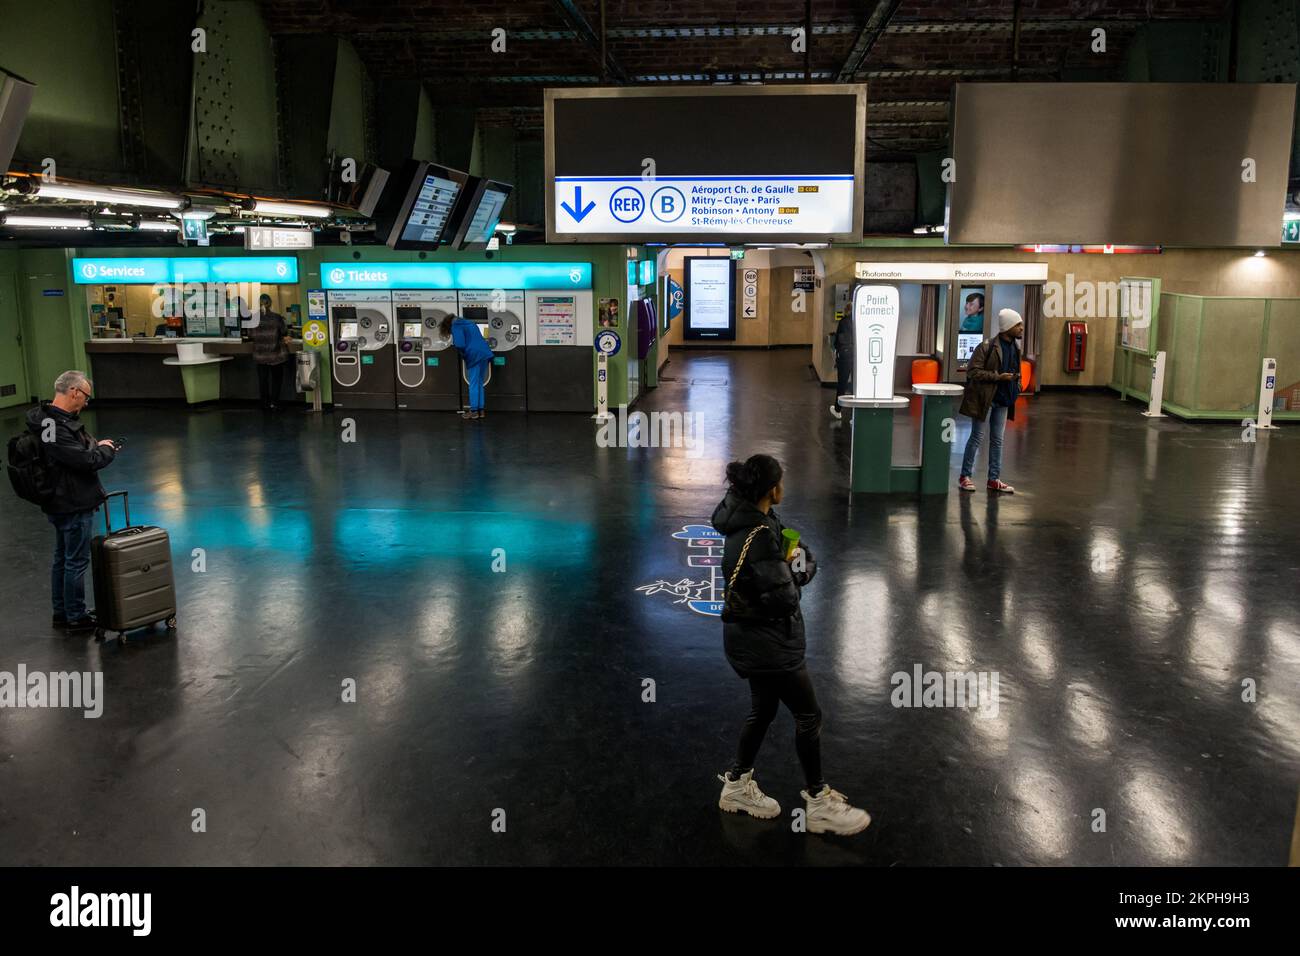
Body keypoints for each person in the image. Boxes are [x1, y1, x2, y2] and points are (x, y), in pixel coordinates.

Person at [711, 454, 872, 836]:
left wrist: (796, 565)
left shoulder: (752, 520)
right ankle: (818, 805)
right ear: (772, 490)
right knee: (809, 716)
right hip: (770, 644)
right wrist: (799, 570)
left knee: (763, 711)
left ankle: (735, 785)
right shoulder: (760, 537)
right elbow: (785, 598)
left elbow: (792, 565)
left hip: (752, 639)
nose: (784, 488)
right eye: (780, 482)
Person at [25, 371, 118, 632]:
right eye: (85, 396)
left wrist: (92, 447)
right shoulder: (54, 427)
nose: (86, 403)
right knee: (75, 561)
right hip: (72, 501)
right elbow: (84, 461)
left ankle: (63, 612)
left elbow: (65, 456)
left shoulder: (46, 420)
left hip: (58, 498)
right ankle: (76, 616)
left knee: (62, 558)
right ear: (75, 392)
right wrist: (105, 450)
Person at [958, 308, 1023, 494]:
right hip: (985, 399)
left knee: (997, 440)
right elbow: (973, 371)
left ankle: (993, 479)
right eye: (1018, 325)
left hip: (1003, 399)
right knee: (977, 437)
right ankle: (965, 476)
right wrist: (997, 377)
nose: (1021, 328)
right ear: (1008, 327)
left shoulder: (1015, 347)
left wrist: (1017, 386)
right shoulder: (987, 346)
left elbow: (1016, 371)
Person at [439, 314, 494, 420]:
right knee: (479, 383)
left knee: (473, 383)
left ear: (447, 325)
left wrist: (463, 354)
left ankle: (473, 411)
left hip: (474, 355)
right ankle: (481, 410)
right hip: (484, 353)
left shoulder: (456, 325)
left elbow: (460, 344)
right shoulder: (470, 323)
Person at [250, 293, 292, 410]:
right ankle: (274, 402)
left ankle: (264, 403)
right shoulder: (276, 317)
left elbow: (251, 334)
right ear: (270, 303)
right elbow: (284, 332)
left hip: (260, 354)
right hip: (275, 354)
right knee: (276, 379)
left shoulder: (254, 318)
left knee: (263, 380)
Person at [828, 312, 854, 420]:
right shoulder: (860, 321)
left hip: (845, 356)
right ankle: (855, 415)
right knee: (856, 385)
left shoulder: (844, 322)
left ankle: (838, 410)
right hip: (857, 355)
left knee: (842, 384)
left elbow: (838, 341)